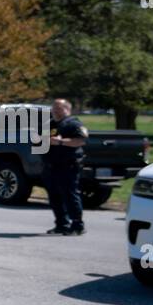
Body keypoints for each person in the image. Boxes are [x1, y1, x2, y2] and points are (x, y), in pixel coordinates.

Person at [42, 98, 89, 236]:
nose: (55, 110)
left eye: (59, 108)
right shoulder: (50, 124)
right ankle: (62, 224)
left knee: (70, 195)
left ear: (68, 109)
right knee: (54, 196)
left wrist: (61, 142)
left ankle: (77, 225)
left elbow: (81, 140)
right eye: (54, 108)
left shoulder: (73, 124)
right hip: (51, 166)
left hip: (67, 166)